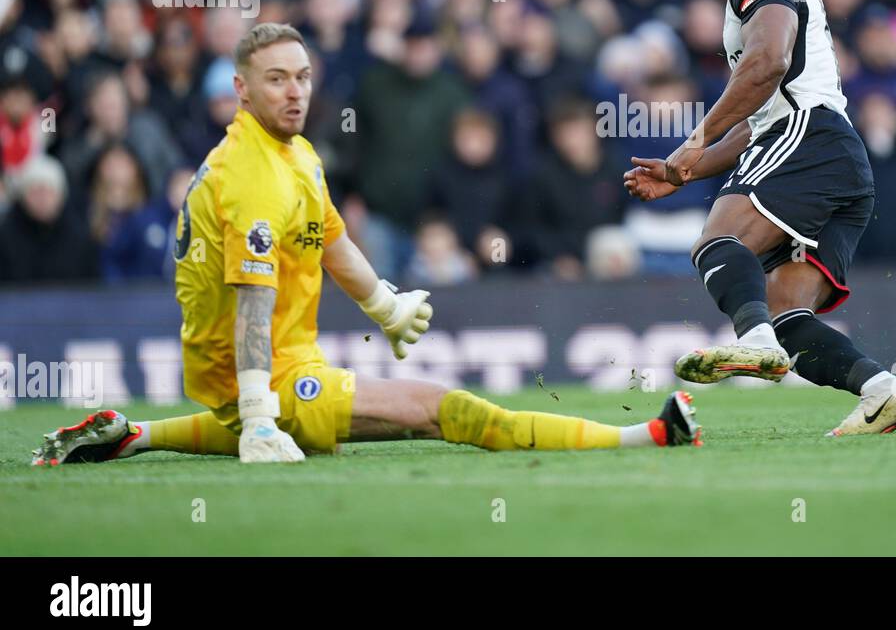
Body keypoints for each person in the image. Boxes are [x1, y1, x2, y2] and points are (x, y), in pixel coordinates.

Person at [32, 23, 700, 466]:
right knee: (448, 411)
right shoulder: (253, 176)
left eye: (302, 76)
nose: (295, 91)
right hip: (269, 377)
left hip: (269, 369)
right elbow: (251, 302)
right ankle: (645, 433)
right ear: (240, 89)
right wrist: (262, 413)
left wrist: (385, 305)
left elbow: (329, 238)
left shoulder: (292, 155)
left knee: (389, 414)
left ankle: (132, 437)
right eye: (276, 79)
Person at [624, 0, 896, 437]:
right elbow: (759, 117)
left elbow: (769, 63)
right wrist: (683, 170)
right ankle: (887, 391)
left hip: (810, 139)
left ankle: (754, 345)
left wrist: (698, 135)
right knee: (787, 316)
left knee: (719, 243)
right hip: (839, 162)